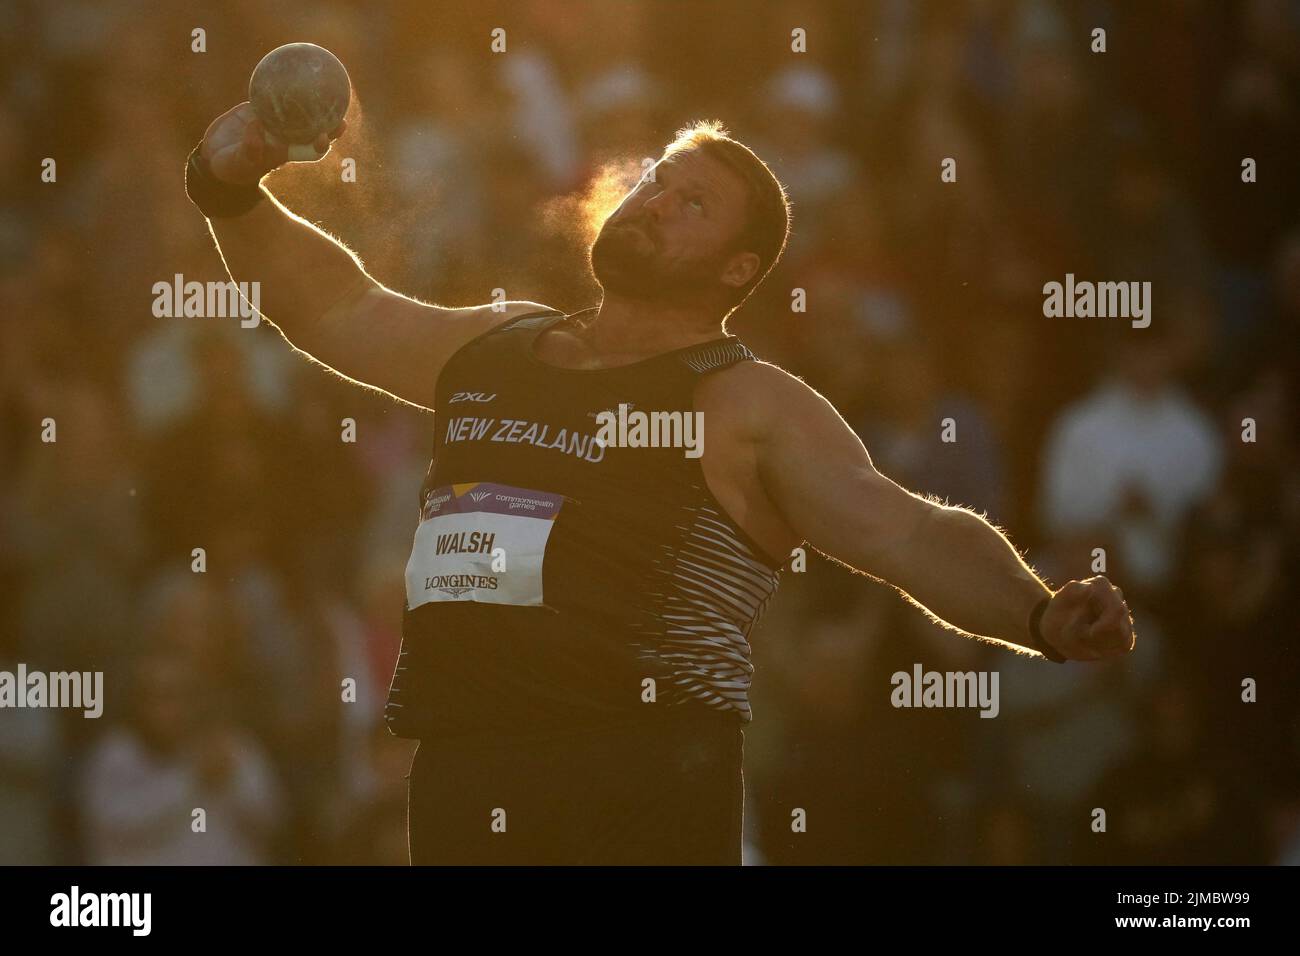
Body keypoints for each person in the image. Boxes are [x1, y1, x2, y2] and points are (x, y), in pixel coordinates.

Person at [183, 104, 1136, 865]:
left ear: (739, 269)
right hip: (468, 775)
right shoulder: (496, 344)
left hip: (641, 782)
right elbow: (337, 308)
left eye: (692, 205)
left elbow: (911, 534)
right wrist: (227, 186)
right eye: (656, 181)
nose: (652, 201)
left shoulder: (747, 403)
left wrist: (1042, 616)